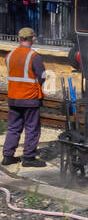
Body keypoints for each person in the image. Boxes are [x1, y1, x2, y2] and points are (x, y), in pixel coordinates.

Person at [4, 27, 46, 167]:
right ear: (32, 38)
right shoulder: (34, 56)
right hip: (29, 98)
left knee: (13, 127)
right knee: (32, 128)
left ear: (19, 39)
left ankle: (7, 156)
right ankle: (28, 158)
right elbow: (42, 76)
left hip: (13, 97)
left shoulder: (9, 55)